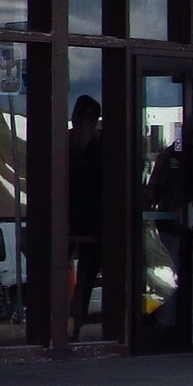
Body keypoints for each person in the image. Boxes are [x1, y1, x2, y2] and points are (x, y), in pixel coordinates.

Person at [66, 95, 105, 336]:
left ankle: (72, 321)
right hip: (81, 216)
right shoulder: (95, 146)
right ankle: (70, 321)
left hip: (85, 217)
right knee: (82, 275)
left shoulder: (71, 144)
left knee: (85, 274)